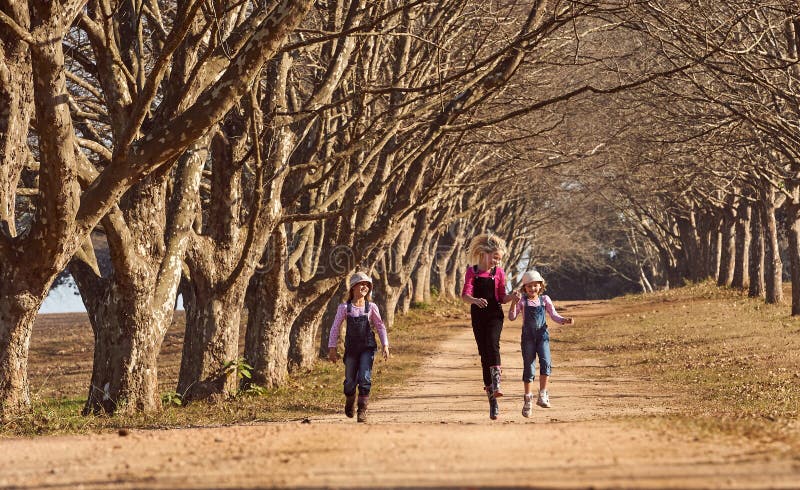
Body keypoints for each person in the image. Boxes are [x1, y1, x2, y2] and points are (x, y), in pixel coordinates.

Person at [461, 233, 516, 420]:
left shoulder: (499, 273)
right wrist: (475, 300)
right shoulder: (472, 271)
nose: (497, 262)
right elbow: (465, 295)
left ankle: (497, 383)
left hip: (495, 314)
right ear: (484, 254)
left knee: (493, 345)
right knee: (484, 354)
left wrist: (513, 296)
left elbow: (502, 297)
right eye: (495, 258)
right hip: (478, 316)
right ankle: (492, 400)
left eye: (499, 259)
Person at [508, 270, 574, 417]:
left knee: (546, 363)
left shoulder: (545, 300)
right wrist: (514, 302)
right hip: (528, 338)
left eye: (535, 285)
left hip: (542, 336)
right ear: (524, 288)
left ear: (541, 286)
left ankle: (543, 394)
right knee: (529, 368)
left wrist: (564, 320)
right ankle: (528, 400)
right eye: (529, 286)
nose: (533, 289)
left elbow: (554, 316)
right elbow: (512, 317)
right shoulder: (523, 302)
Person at [328, 272, 390, 423]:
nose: (365, 287)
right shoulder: (344, 307)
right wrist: (332, 347)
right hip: (351, 349)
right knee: (350, 381)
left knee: (364, 377)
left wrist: (385, 345)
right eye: (361, 284)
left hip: (367, 347)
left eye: (367, 285)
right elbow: (335, 328)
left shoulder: (371, 307)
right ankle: (350, 399)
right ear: (353, 287)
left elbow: (380, 326)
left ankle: (362, 410)